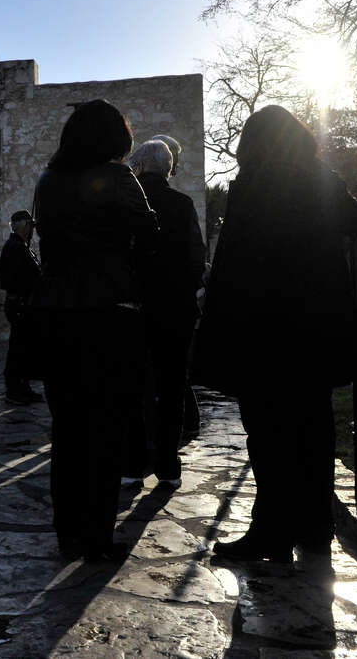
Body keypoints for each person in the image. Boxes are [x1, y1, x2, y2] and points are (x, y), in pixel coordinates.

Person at [191, 105, 357, 563]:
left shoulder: (257, 184)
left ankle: (271, 532)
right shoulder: (318, 177)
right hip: (315, 332)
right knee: (313, 430)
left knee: (270, 434)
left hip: (267, 332)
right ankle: (314, 531)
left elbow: (240, 263)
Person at [29, 98, 158, 562]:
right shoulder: (120, 178)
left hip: (57, 312)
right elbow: (151, 236)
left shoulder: (47, 181)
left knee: (67, 429)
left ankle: (67, 532)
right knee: (106, 427)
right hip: (109, 311)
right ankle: (96, 537)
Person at [124, 139, 207, 487]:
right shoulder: (182, 204)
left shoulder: (127, 203)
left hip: (134, 310)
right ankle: (168, 465)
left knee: (133, 387)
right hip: (175, 310)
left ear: (140, 168)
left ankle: (133, 462)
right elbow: (195, 257)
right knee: (172, 387)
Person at [0, 209, 43, 406]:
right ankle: (13, 389)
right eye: (30, 226)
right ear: (23, 226)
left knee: (25, 348)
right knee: (18, 348)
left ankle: (24, 387)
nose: (32, 230)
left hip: (25, 303)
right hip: (20, 304)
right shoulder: (14, 248)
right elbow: (17, 278)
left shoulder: (21, 247)